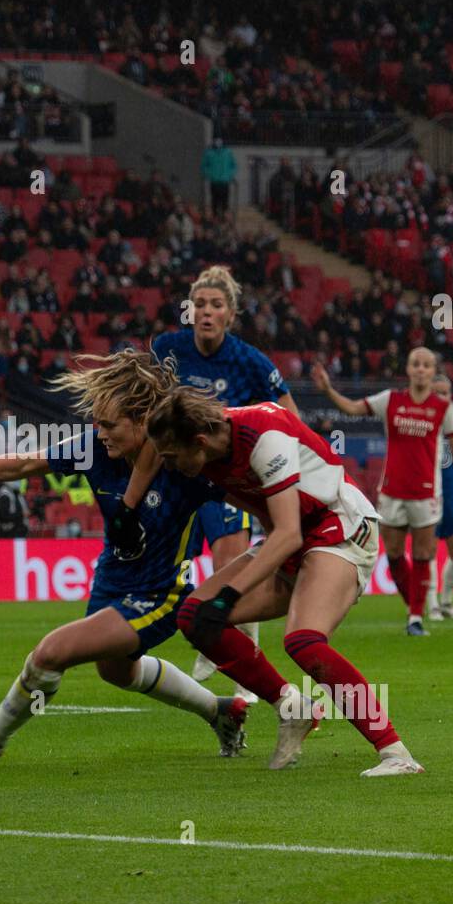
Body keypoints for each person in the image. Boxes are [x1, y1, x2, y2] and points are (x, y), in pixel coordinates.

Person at [0, 351, 250, 769]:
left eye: (109, 424)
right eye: (96, 423)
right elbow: (28, 462)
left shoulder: (181, 465)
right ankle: (221, 712)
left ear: (143, 422)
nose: (99, 433)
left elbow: (251, 495)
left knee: (50, 653)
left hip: (159, 594)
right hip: (112, 582)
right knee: (115, 671)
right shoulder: (93, 450)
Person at [143, 384, 424, 776]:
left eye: (172, 457)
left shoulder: (263, 433)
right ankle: (292, 707)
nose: (169, 465)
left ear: (200, 441)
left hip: (338, 526)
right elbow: (271, 519)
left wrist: (230, 594)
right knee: (194, 616)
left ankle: (396, 754)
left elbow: (288, 532)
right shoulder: (204, 459)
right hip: (290, 534)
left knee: (303, 640)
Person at [145, 264, 299, 688]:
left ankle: (239, 669)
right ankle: (179, 635)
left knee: (231, 564)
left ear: (231, 314)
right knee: (174, 562)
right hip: (178, 475)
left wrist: (282, 461)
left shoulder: (249, 361)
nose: (206, 312)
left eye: (215, 305)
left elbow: (289, 414)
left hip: (227, 482)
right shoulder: (167, 350)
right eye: (199, 305)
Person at [313, 347, 453, 636]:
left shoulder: (443, 408)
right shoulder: (391, 400)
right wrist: (327, 390)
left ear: (432, 369)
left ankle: (414, 617)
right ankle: (415, 603)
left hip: (426, 492)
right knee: (395, 554)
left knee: (424, 554)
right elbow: (352, 408)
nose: (421, 369)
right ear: (409, 370)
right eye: (416, 364)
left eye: (426, 365)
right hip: (392, 491)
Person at [426, 375, 453, 622]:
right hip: (429, 490)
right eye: (438, 392)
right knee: (429, 549)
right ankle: (431, 605)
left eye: (447, 392)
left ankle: (447, 601)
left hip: (452, 490)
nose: (444, 397)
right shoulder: (419, 416)